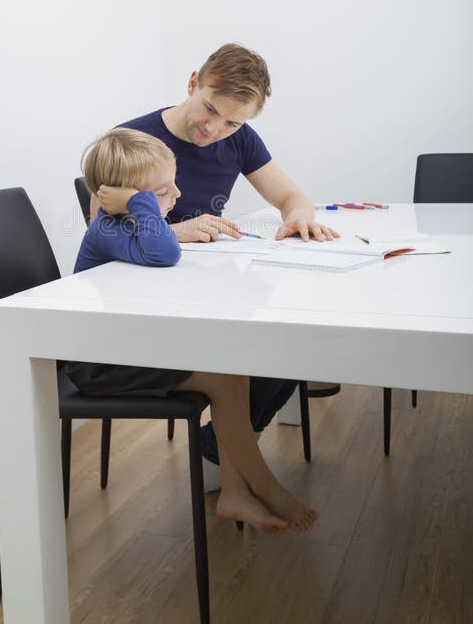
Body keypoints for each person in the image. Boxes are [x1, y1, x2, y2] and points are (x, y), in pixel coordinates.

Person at [89, 43, 339, 490]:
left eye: (233, 122)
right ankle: (229, 462)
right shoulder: (134, 141)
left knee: (293, 336)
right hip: (155, 302)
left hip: (205, 287)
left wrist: (299, 215)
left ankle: (219, 451)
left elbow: (291, 196)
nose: (215, 129)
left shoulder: (238, 138)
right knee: (267, 347)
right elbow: (99, 230)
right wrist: (176, 232)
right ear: (192, 83)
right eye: (210, 110)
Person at [69, 127, 318, 533]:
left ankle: (235, 491)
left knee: (233, 369)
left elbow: (161, 245)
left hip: (131, 349)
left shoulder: (134, 225)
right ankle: (266, 487)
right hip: (103, 364)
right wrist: (141, 202)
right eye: (164, 191)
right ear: (126, 199)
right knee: (222, 379)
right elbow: (165, 253)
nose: (178, 196)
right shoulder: (107, 230)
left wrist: (143, 203)